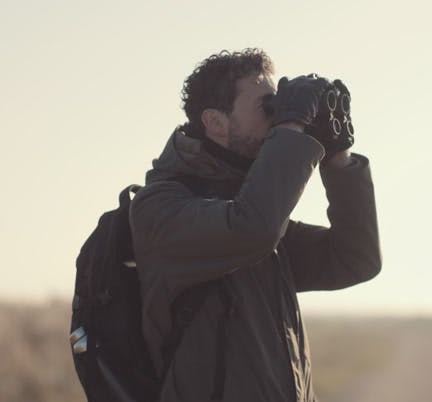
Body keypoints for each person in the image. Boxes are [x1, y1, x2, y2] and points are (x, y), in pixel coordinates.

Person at [129, 48, 381, 402]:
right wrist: (293, 128)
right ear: (216, 122)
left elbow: (354, 259)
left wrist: (337, 155)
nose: (278, 119)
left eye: (281, 107)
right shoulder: (162, 209)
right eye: (268, 108)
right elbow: (252, 229)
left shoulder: (251, 213)